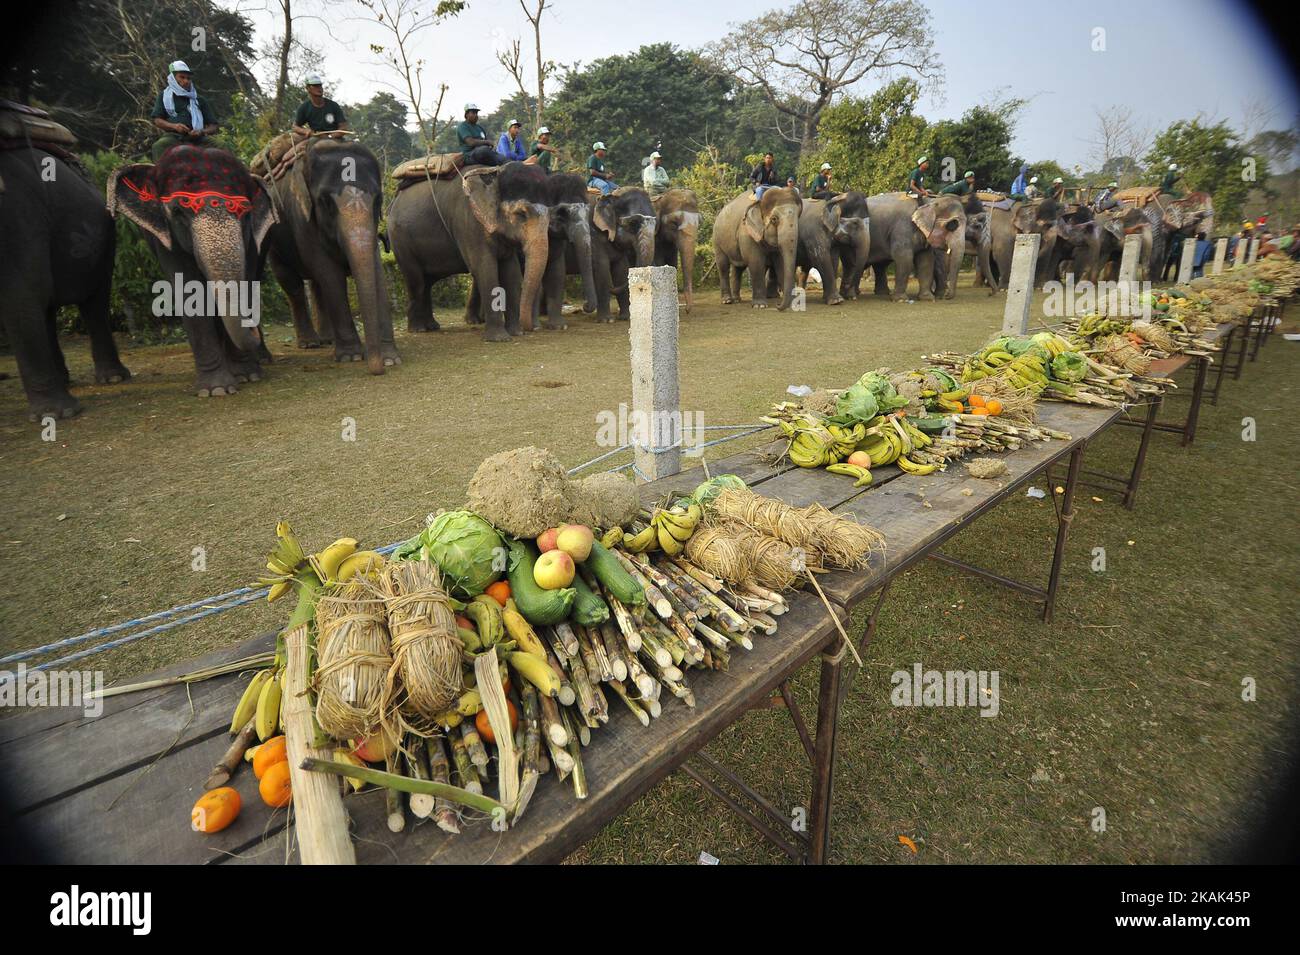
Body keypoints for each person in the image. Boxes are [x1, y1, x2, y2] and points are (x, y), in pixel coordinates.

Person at [149, 61, 222, 161]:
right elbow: (157, 120)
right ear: (173, 78)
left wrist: (201, 131)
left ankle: (232, 175)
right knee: (159, 145)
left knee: (221, 145)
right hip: (174, 137)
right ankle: (163, 175)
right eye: (182, 77)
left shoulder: (199, 99)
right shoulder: (164, 96)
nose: (186, 81)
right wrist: (175, 126)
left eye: (188, 78)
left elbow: (213, 126)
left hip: (198, 139)